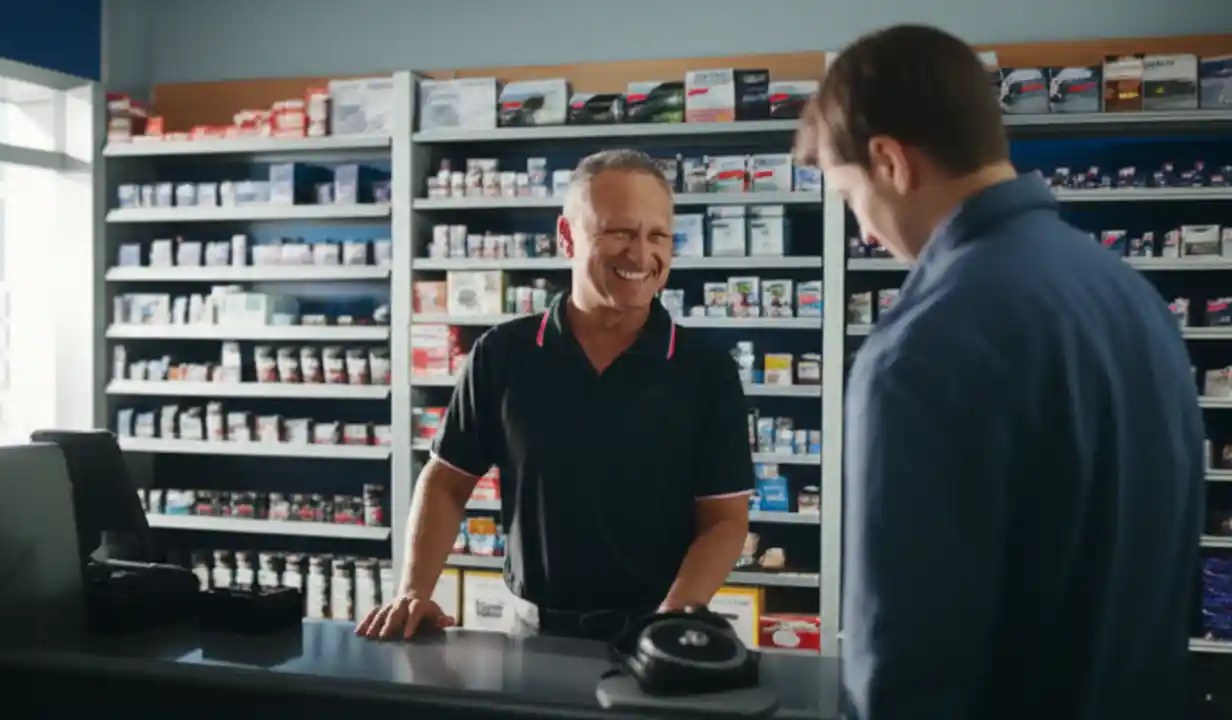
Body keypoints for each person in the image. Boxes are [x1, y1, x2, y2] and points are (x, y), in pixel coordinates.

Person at [796, 25, 1203, 720]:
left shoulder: (922, 348)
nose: (864, 231)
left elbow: (908, 667)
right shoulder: (1131, 296)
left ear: (890, 161)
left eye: (847, 194)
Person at [356, 149, 754, 642]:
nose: (641, 255)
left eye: (658, 236)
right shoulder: (503, 354)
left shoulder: (705, 369)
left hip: (657, 629)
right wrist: (414, 589)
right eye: (619, 232)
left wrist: (673, 616)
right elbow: (446, 481)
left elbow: (724, 521)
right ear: (566, 236)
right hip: (532, 631)